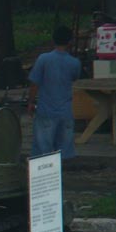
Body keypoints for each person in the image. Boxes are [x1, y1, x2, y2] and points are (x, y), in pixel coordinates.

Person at [27, 25, 81, 160]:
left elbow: (34, 83)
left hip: (46, 109)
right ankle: (61, 173)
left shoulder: (43, 59)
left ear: (53, 40)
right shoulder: (74, 63)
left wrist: (31, 101)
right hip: (65, 111)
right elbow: (75, 77)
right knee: (64, 148)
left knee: (42, 149)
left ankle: (45, 176)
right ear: (70, 42)